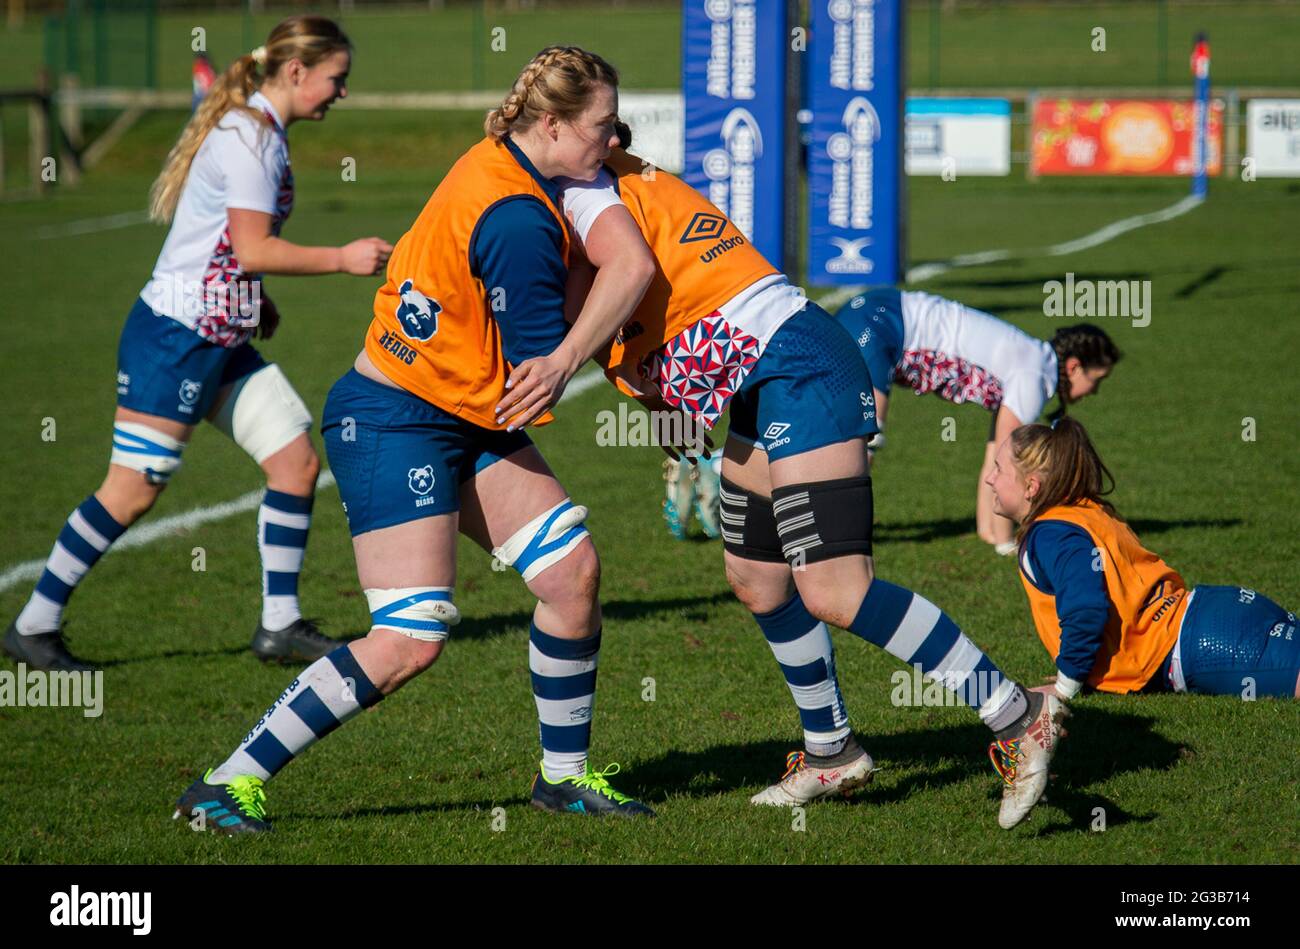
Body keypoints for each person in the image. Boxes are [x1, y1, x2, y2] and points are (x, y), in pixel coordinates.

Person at [525, 122, 1067, 829]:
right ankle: (831, 749)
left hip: (801, 368)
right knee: (757, 579)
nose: (612, 132)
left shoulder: (584, 192)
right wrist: (660, 407)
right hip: (759, 383)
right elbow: (632, 337)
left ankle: (1017, 713)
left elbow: (618, 289)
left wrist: (563, 360)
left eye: (608, 121)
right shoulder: (565, 200)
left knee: (837, 590)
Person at [173, 47, 656, 834]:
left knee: (571, 576)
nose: (616, 137)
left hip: (455, 410)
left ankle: (563, 779)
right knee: (410, 635)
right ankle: (225, 783)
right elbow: (543, 357)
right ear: (554, 124)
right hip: (394, 420)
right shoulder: (518, 220)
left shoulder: (505, 162)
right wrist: (632, 347)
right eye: (603, 127)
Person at [4, 16, 393, 672]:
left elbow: (224, 243)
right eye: (337, 78)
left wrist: (253, 298)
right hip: (176, 338)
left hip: (217, 334)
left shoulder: (258, 130)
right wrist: (343, 256)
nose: (342, 92)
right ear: (297, 72)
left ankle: (279, 625)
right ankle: (33, 624)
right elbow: (250, 245)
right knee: (131, 490)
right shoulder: (251, 138)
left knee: (295, 463)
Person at [988, 417, 1299, 701]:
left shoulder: (1050, 535)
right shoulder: (1081, 508)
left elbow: (1085, 609)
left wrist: (1064, 687)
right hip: (1215, 614)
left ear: (1031, 487)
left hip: (1198, 645)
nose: (989, 477)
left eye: (999, 469)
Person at [833, 288, 1120, 555]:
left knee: (832, 433)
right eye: (1097, 380)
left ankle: (820, 530)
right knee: (862, 443)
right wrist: (1011, 543)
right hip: (882, 325)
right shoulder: (1035, 377)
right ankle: (831, 536)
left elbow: (996, 457)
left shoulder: (1032, 360)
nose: (1094, 391)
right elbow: (1010, 462)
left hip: (874, 311)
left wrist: (993, 535)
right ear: (1074, 367)